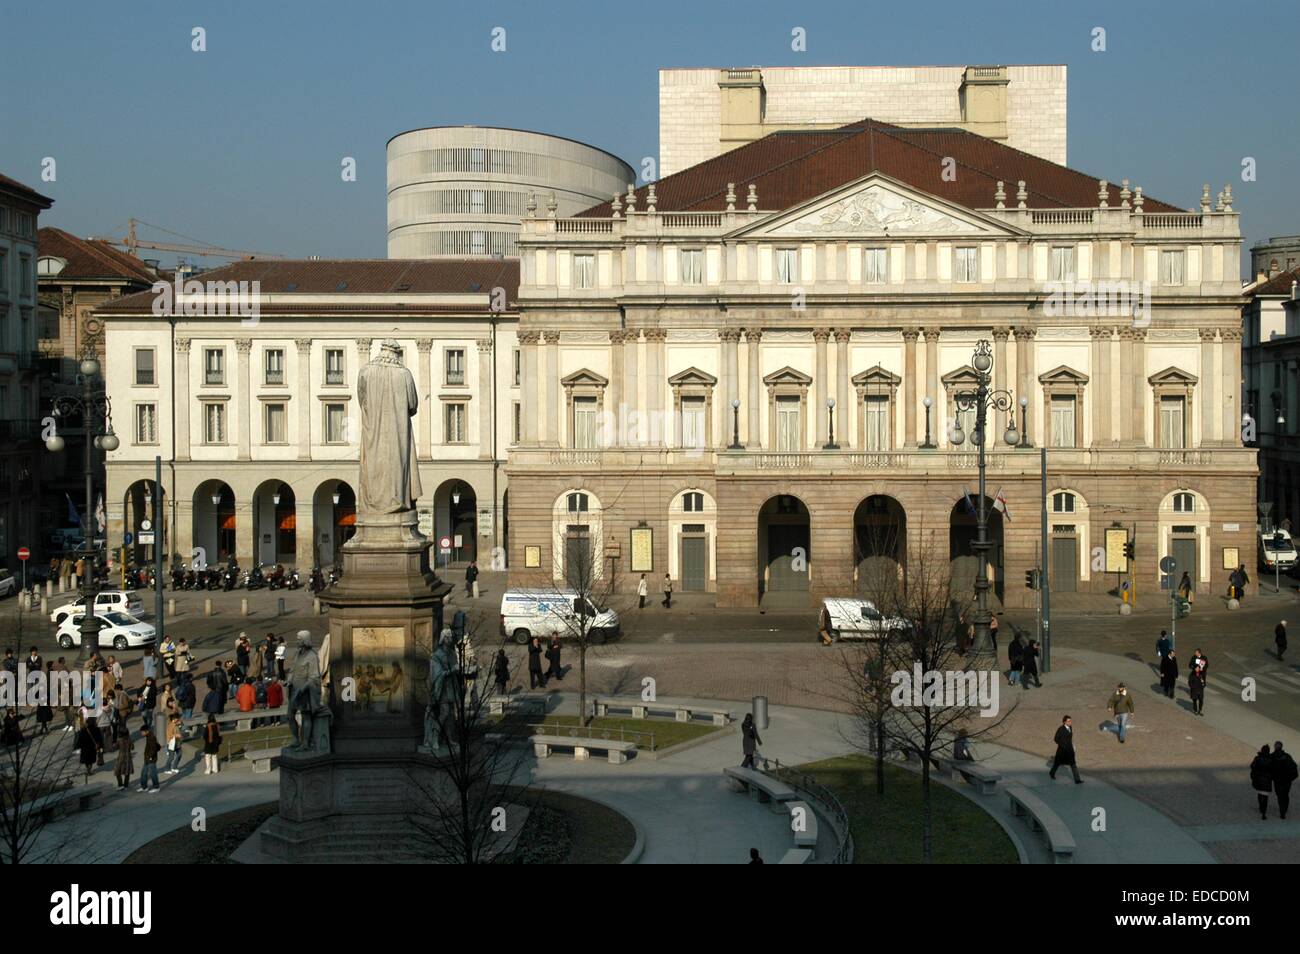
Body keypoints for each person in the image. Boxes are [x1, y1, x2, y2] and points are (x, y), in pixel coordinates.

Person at [1049, 715, 1082, 783]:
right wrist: (1063, 745)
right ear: (1064, 722)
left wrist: (1072, 746)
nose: (1070, 722)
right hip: (1062, 751)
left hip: (1069, 750)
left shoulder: (1070, 727)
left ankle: (1077, 780)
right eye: (1068, 721)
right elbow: (1056, 739)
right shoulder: (1061, 729)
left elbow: (1069, 739)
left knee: (1073, 764)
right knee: (1057, 763)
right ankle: (1052, 773)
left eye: (1070, 721)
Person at [1271, 742, 1297, 820]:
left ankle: (1282, 811)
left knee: (1279, 795)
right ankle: (1284, 809)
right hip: (1287, 780)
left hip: (1278, 780)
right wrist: (1291, 778)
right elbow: (1294, 767)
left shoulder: (1272, 756)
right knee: (1285, 795)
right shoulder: (1287, 756)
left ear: (1275, 747)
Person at [1251, 745, 1274, 820]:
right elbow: (1274, 770)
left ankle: (1261, 807)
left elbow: (1252, 766)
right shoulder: (1271, 759)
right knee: (1265, 796)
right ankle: (1264, 812)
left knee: (1260, 794)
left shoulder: (1257, 758)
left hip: (1259, 779)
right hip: (1267, 780)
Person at [138, 725, 160, 792]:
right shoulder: (148, 736)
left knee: (153, 773)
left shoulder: (151, 737)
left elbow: (154, 748)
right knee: (144, 773)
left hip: (151, 759)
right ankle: (144, 787)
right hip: (147, 758)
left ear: (146, 731)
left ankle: (156, 787)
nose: (141, 733)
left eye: (142, 732)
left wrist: (150, 757)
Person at [75, 716, 98, 783]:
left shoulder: (83, 731)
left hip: (84, 748)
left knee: (86, 760)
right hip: (91, 747)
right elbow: (98, 737)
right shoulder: (95, 729)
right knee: (91, 760)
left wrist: (78, 746)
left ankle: (88, 769)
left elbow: (79, 739)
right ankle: (89, 770)